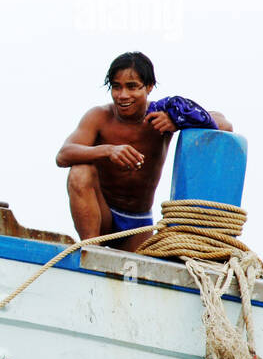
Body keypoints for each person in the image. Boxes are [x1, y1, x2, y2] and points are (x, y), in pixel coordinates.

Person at [56, 52, 232, 251]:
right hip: (101, 215)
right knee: (80, 171)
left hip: (138, 224)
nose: (123, 95)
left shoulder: (160, 114)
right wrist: (108, 150)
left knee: (138, 273)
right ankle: (91, 250)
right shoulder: (99, 116)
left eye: (132, 87)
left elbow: (225, 124)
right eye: (116, 87)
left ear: (148, 87)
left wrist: (178, 120)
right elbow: (63, 155)